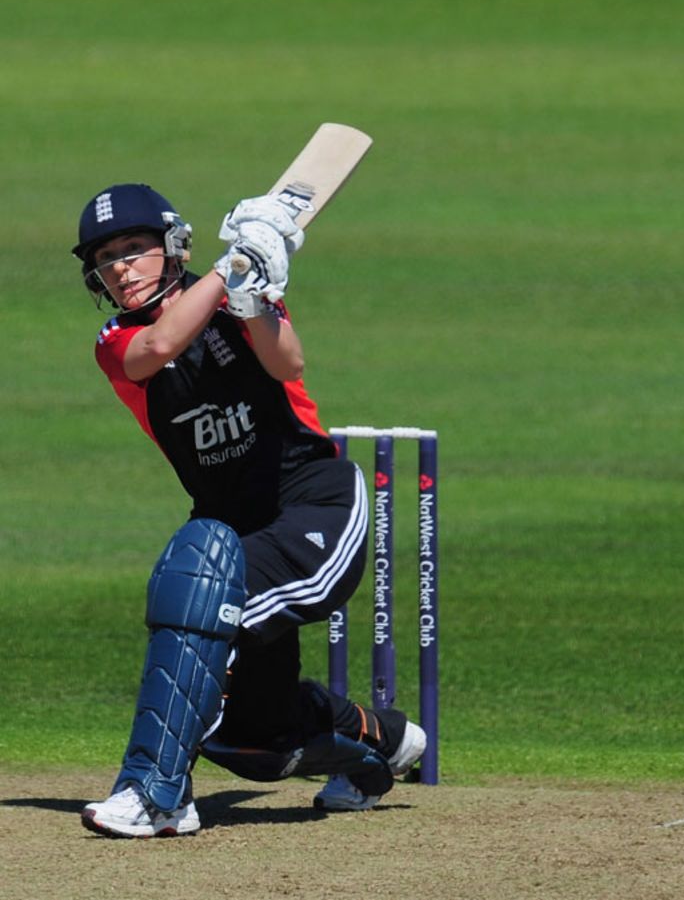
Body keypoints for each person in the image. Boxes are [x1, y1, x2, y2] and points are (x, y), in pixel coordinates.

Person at [72, 183, 425, 838]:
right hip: (232, 532)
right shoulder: (117, 340)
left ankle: (157, 793)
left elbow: (288, 360)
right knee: (251, 741)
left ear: (172, 246)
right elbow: (160, 349)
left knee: (197, 592)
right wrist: (230, 267)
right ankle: (374, 745)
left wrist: (254, 294)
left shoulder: (239, 300)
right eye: (107, 257)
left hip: (313, 508)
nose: (121, 266)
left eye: (135, 248)